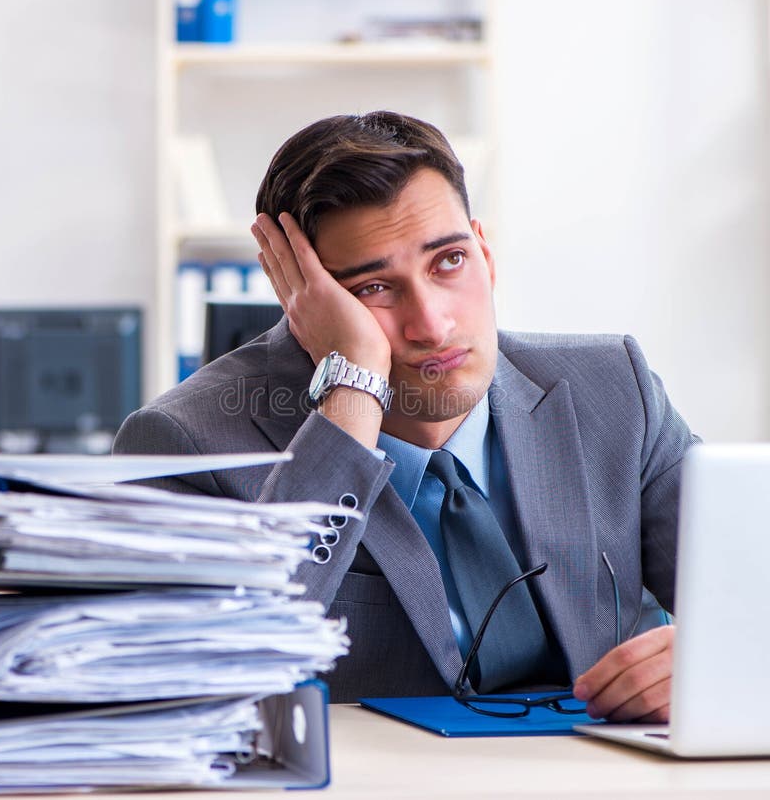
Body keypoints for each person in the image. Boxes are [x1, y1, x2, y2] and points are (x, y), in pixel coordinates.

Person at [114, 111, 696, 720]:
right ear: (301, 302)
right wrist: (354, 386)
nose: (433, 324)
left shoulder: (615, 390)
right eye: (372, 288)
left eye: (448, 261)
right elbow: (208, 682)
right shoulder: (189, 444)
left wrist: (727, 657)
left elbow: (749, 595)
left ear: (485, 253)